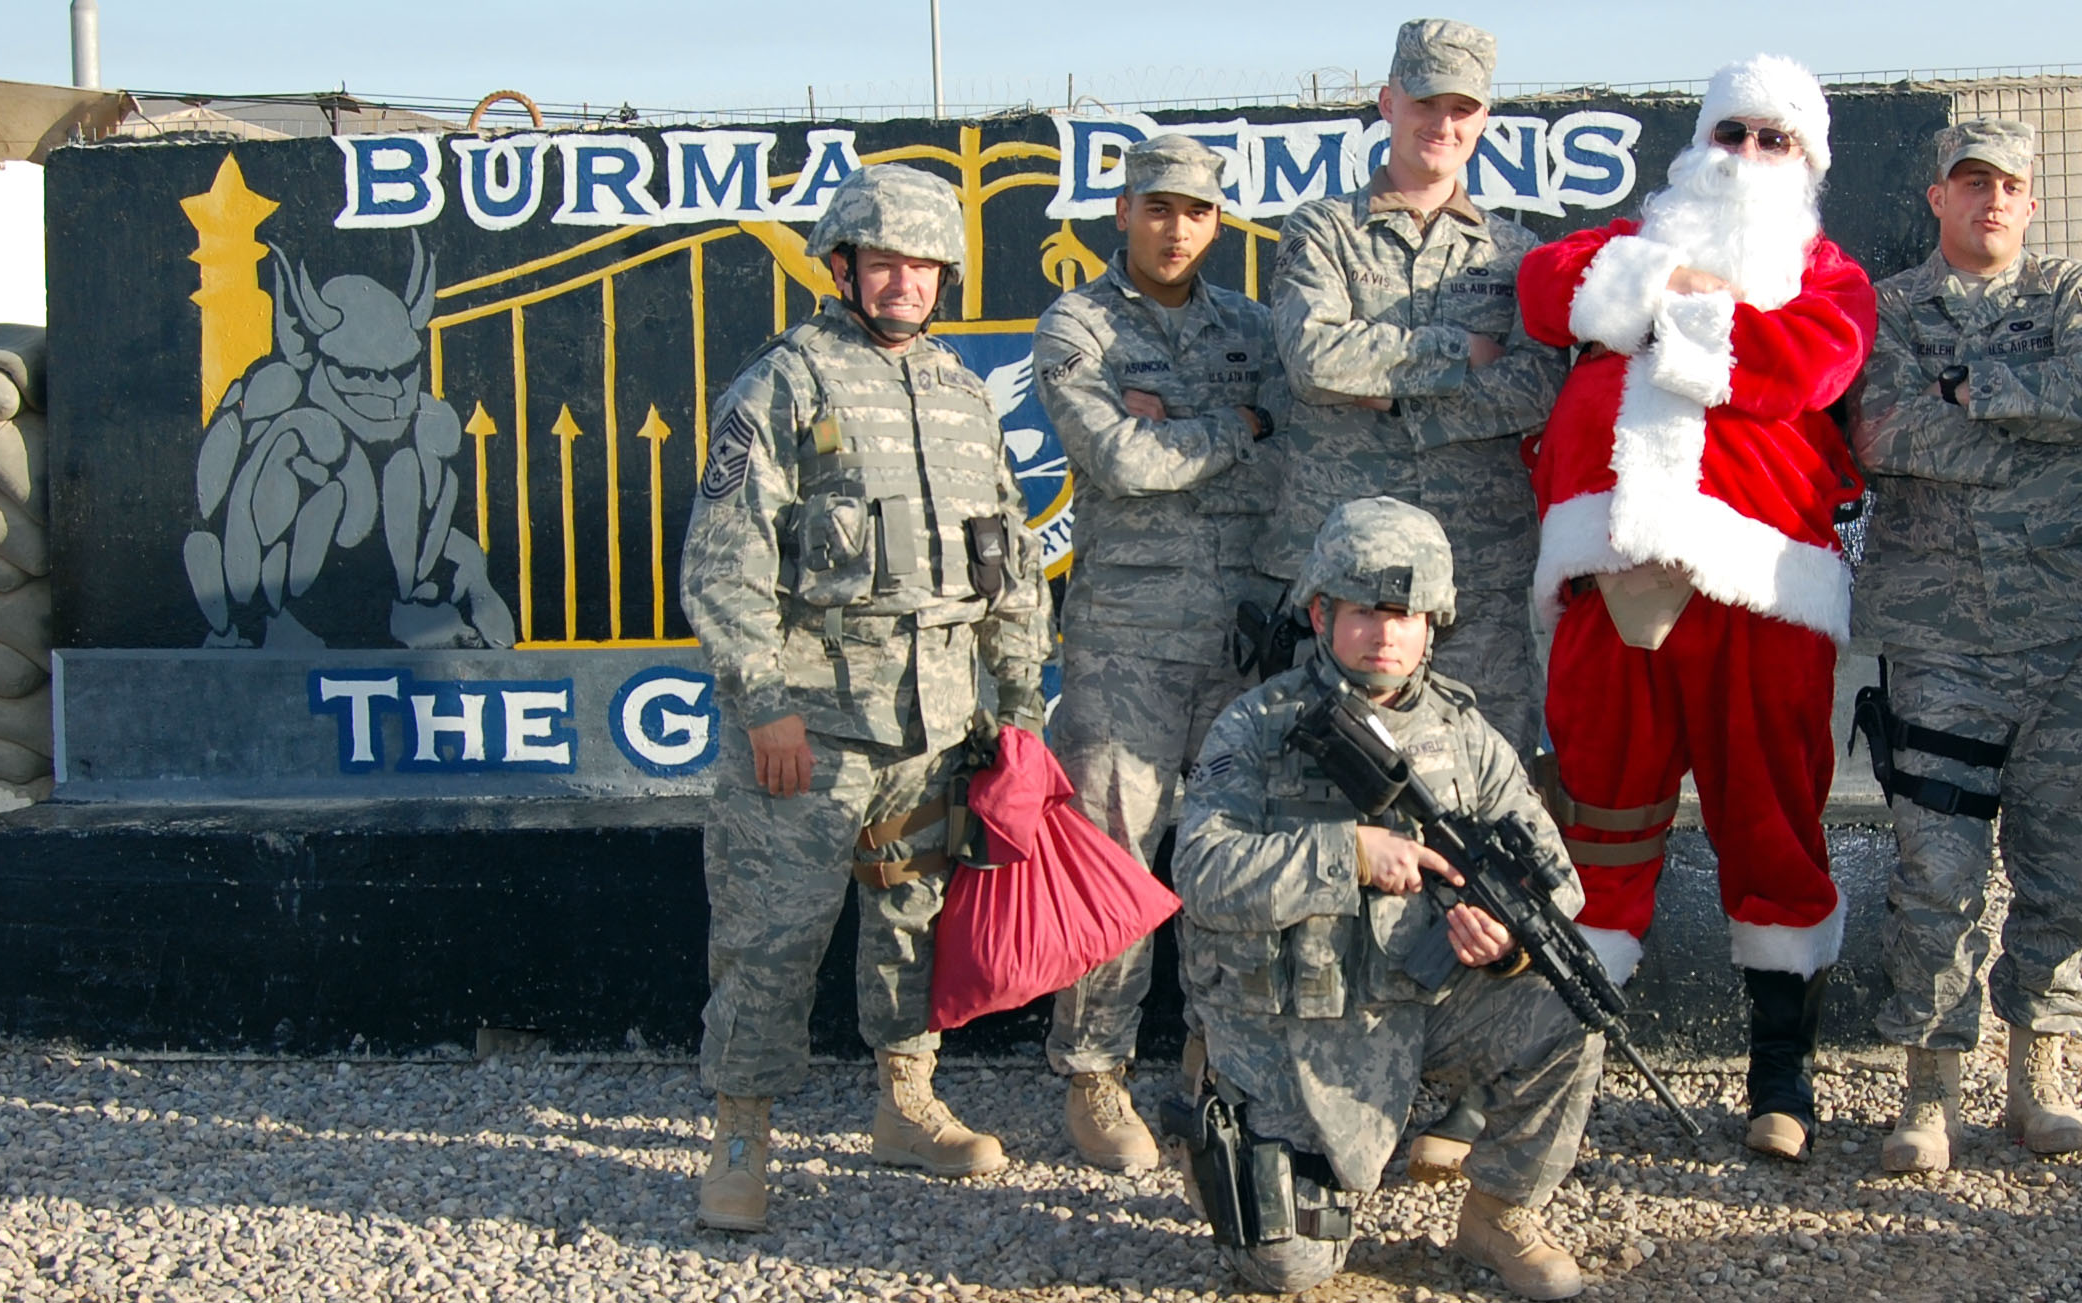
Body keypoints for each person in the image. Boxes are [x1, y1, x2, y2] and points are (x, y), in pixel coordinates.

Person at [1516, 54, 1877, 1162]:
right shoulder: (1626, 241)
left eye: (1775, 141)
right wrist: (1665, 293)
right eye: (1733, 135)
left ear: (1806, 162)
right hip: (1606, 571)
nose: (1748, 157)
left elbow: (1805, 366)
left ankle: (1779, 1077)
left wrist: (1674, 320)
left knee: (1769, 817)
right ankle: (1557, 1088)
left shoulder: (1829, 272)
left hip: (1757, 584)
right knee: (1599, 821)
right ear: (1697, 145)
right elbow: (1542, 290)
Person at [678, 163, 1052, 1232]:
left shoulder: (961, 394)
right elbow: (724, 563)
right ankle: (742, 1132)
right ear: (840, 266)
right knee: (770, 932)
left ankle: (903, 1101)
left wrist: (1018, 715)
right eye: (882, 261)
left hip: (936, 721)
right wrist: (764, 704)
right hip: (814, 718)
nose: (904, 281)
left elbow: (1010, 565)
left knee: (912, 921)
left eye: (924, 264)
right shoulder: (782, 386)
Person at [1170, 497, 1602, 1300]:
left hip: (1421, 994)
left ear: (1434, 624)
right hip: (1294, 1022)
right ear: (1320, 611)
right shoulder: (1258, 727)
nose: (1386, 633)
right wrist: (1346, 854)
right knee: (1291, 1271)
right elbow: (1201, 870)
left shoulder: (1466, 734)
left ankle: (1500, 1211)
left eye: (1406, 614)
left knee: (1568, 1008)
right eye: (1366, 610)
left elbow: (1556, 881)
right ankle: (1218, 1096)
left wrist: (1504, 941)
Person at [1851, 119, 2082, 1174]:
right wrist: (2024, 427)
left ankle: (2038, 1073)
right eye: (1971, 184)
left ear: (2030, 196)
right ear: (1936, 196)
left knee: (2063, 864)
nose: (1992, 202)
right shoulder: (1884, 309)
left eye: (2010, 184)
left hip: (2068, 637)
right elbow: (1882, 437)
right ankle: (1929, 1087)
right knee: (1939, 872)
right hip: (1940, 645)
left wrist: (1968, 391)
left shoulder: (2077, 294)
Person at [1030, 133, 1286, 1171]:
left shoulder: (1254, 327)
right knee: (1114, 865)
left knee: (1231, 857)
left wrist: (1191, 421)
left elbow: (1296, 442)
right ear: (1121, 213)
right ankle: (1092, 1071)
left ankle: (1211, 1056)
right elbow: (1124, 461)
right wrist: (1242, 422)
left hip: (1237, 636)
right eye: (1156, 207)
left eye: (1195, 211)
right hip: (1123, 646)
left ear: (1216, 223)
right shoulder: (1078, 324)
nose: (1175, 227)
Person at [1263, 17, 1566, 758]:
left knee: (1486, 784)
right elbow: (1314, 358)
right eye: (1426, 102)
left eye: (1461, 108)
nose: (1442, 123)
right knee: (1345, 783)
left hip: (1477, 575)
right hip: (1350, 577)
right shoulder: (1322, 232)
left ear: (1482, 121)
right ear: (1386, 103)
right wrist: (1458, 353)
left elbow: (1537, 385)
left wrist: (1389, 394)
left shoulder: (1514, 251)